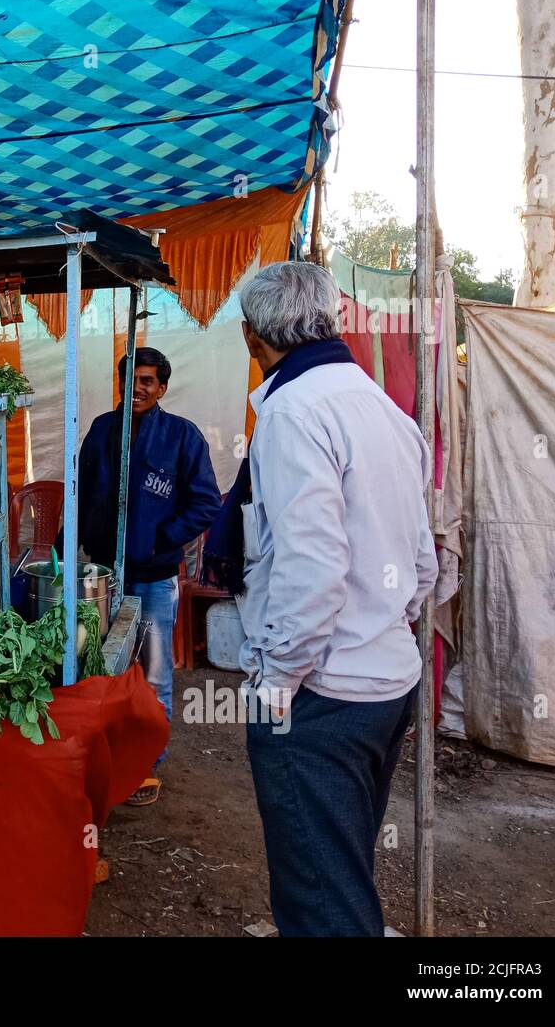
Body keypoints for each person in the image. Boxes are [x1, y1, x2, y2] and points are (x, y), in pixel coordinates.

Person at [205, 260, 436, 937]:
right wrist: (384, 632)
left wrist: (278, 681)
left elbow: (314, 564)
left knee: (321, 901)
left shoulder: (293, 411)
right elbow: (421, 561)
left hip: (323, 695)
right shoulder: (384, 410)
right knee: (340, 866)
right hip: (383, 683)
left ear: (253, 338)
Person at [76, 346, 221, 805]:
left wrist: (160, 539)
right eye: (130, 379)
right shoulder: (102, 430)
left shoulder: (182, 437)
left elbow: (206, 502)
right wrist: (64, 547)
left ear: (162, 388)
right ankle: (106, 753)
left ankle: (145, 767)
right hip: (102, 576)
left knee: (154, 670)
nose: (137, 388)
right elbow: (81, 494)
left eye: (147, 381)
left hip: (155, 575)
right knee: (100, 665)